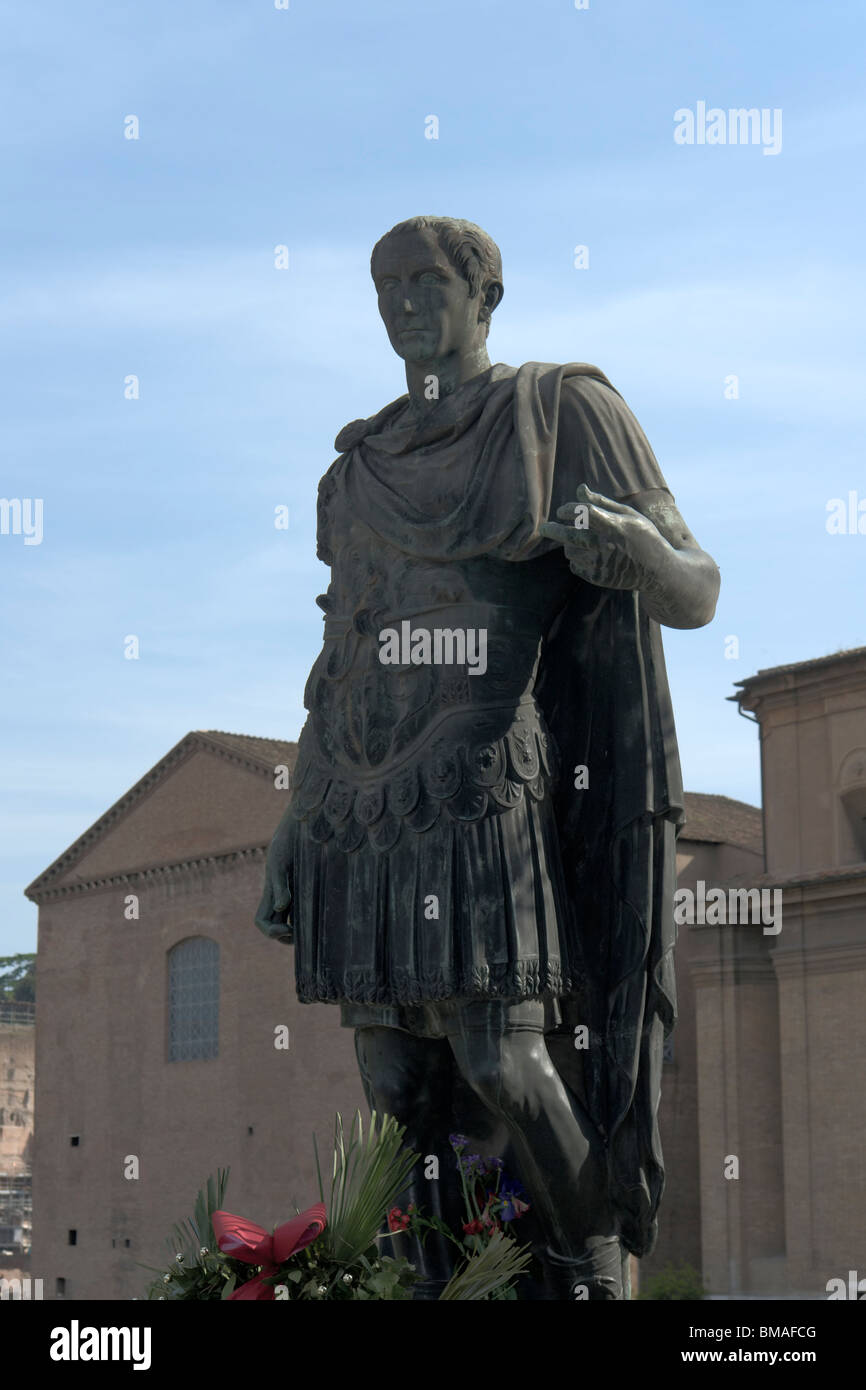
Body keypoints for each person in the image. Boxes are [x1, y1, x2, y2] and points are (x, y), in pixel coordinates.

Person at [255, 216, 720, 1299]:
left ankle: (586, 1263)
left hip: (478, 782)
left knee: (499, 1056)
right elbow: (338, 654)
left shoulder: (558, 413)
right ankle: (445, 1277)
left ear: (484, 296)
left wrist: (640, 553)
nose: (406, 302)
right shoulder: (355, 464)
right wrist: (290, 819)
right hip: (354, 799)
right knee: (395, 1081)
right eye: (386, 285)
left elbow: (695, 589)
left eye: (428, 280)